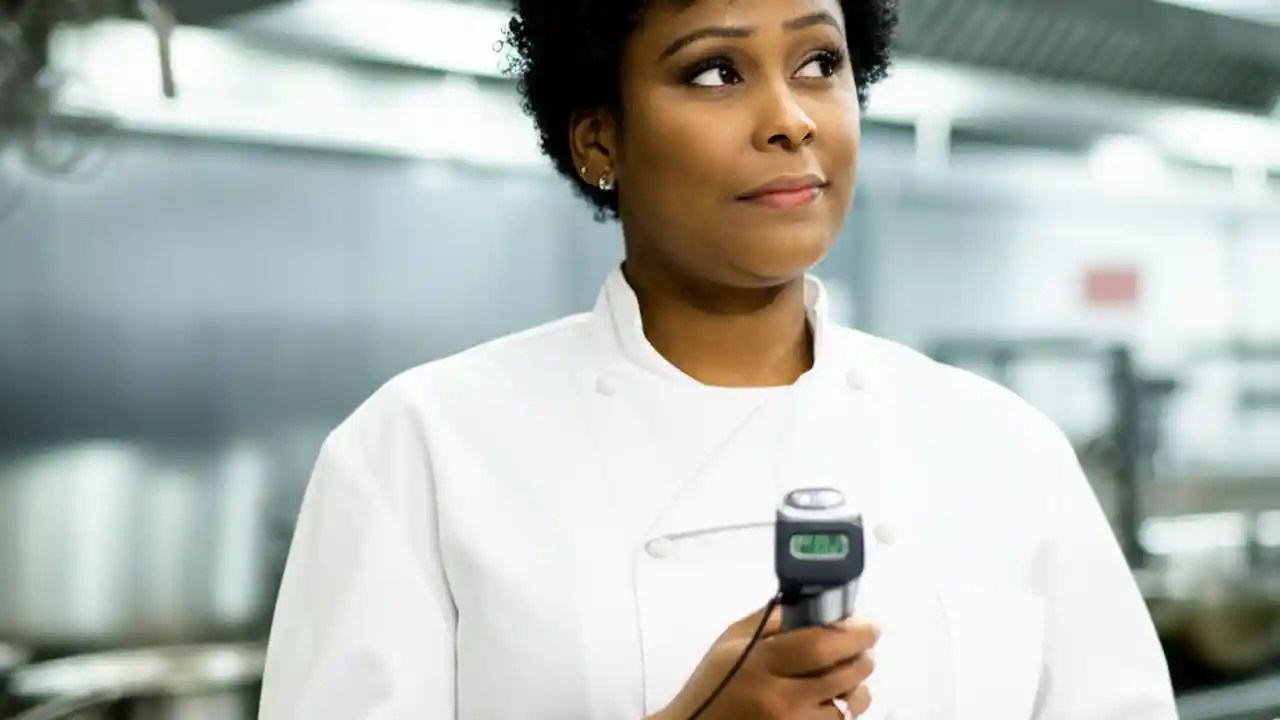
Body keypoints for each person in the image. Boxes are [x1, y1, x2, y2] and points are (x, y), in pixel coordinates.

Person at [258, 0, 1178, 718]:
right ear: (597, 139)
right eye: (714, 72)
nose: (790, 120)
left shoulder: (1001, 449)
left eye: (820, 62)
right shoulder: (422, 452)